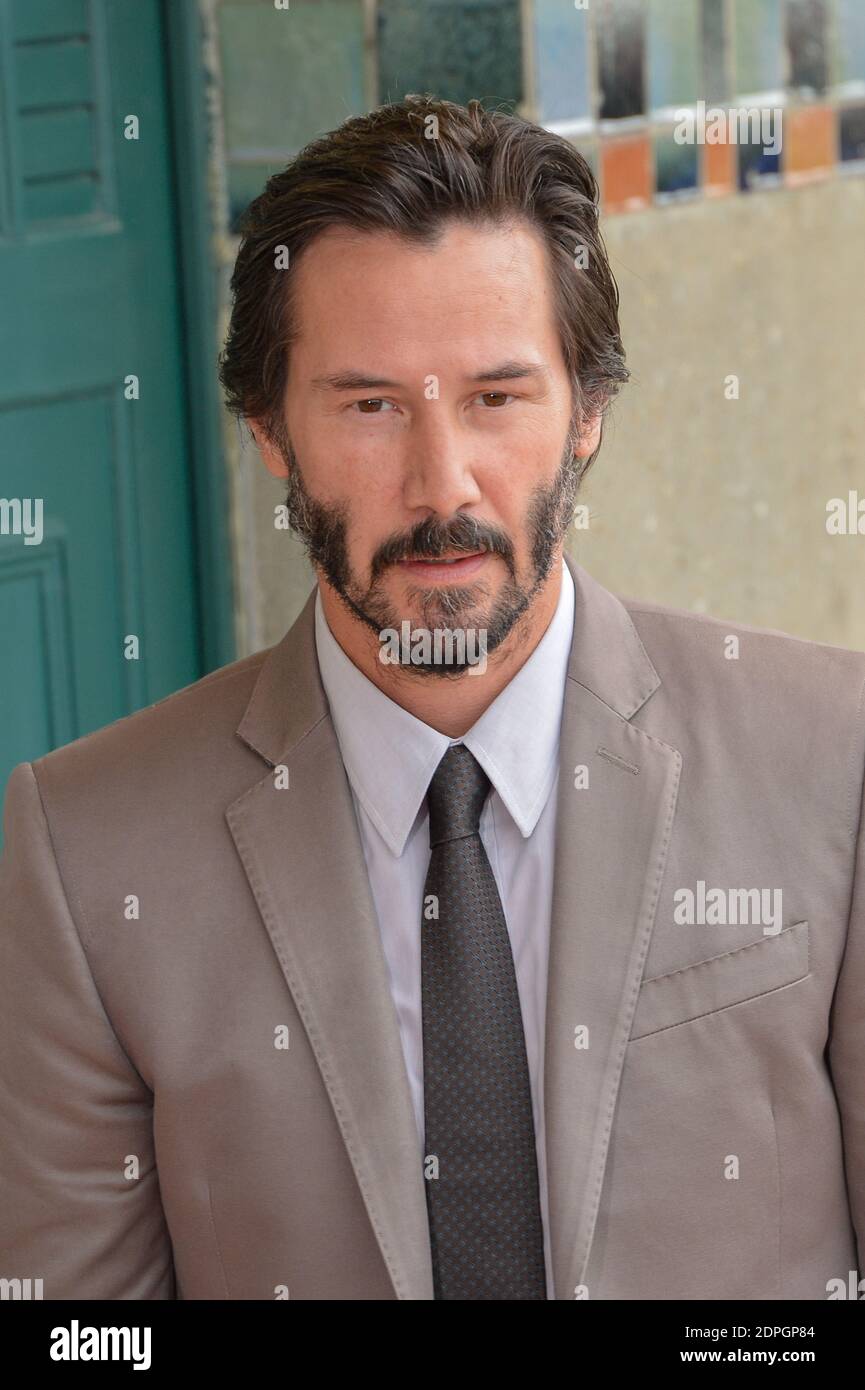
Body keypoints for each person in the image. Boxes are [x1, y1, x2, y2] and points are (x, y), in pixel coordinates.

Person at [1, 96, 863, 1301]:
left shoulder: (832, 752)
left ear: (588, 412)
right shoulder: (82, 849)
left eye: (497, 398)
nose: (440, 481)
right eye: (368, 405)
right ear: (268, 432)